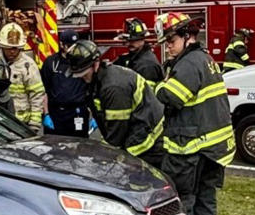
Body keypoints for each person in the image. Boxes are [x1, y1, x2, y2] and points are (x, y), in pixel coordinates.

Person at [154, 12, 235, 215]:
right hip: (213, 150)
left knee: (184, 202)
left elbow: (172, 97)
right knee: (206, 199)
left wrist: (158, 86)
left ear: (187, 37)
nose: (168, 46)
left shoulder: (188, 64)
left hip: (190, 149)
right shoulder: (206, 59)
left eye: (171, 40)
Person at [63, 39, 166, 168]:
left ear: (96, 64)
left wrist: (104, 156)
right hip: (136, 132)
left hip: (147, 143)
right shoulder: (100, 79)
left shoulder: (113, 87)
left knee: (138, 180)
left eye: (84, 75)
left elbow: (117, 133)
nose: (82, 79)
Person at [0, 22, 45, 134]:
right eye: (8, 48)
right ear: (2, 46)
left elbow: (37, 94)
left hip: (21, 123)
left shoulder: (28, 65)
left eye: (15, 48)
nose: (12, 51)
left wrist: (34, 123)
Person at [40, 29, 90, 138]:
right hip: (56, 114)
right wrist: (46, 114)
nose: (73, 49)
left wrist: (94, 117)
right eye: (69, 46)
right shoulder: (51, 63)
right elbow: (43, 90)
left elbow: (91, 89)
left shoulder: (83, 62)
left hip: (77, 113)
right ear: (62, 45)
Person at [113, 17, 165, 87]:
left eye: (132, 40)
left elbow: (146, 94)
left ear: (143, 39)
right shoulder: (136, 56)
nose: (128, 44)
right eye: (127, 40)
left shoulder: (147, 65)